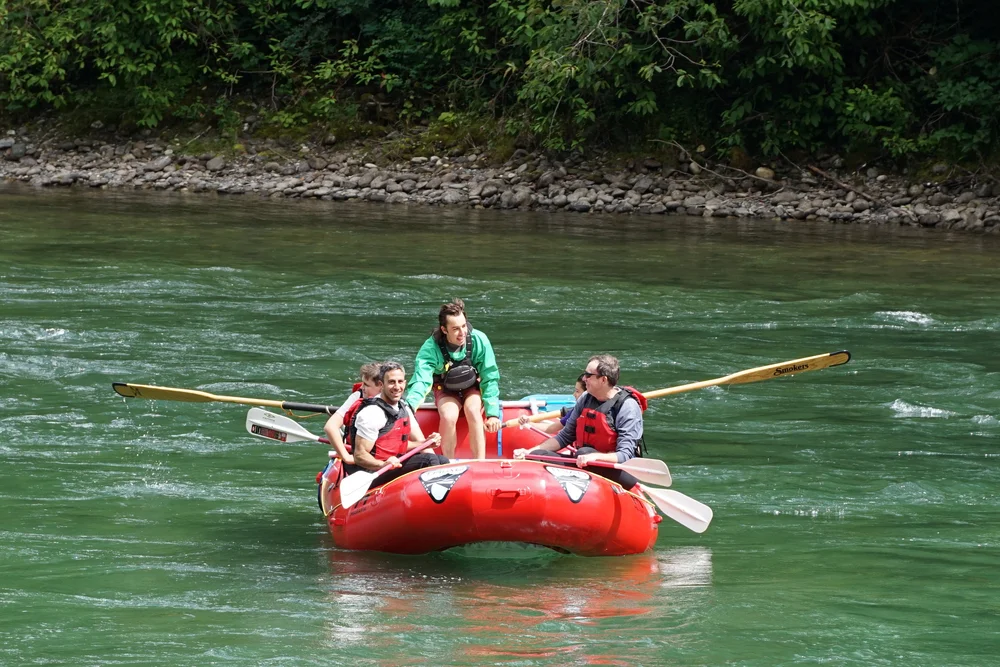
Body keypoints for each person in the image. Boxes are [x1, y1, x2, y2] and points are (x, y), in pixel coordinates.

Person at [513, 355, 646, 491]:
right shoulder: (585, 398)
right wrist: (529, 452)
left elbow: (624, 455)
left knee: (583, 451)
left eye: (588, 375)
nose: (583, 379)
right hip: (583, 462)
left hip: (616, 469)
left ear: (603, 380)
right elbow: (564, 437)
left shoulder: (627, 407)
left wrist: (594, 457)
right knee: (538, 455)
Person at [404, 298, 500, 460]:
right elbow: (422, 380)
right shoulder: (430, 348)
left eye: (464, 326)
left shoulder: (479, 340)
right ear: (444, 329)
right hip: (445, 389)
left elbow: (489, 377)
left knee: (473, 411)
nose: (462, 333)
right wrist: (410, 407)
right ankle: (446, 463)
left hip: (472, 387)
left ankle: (480, 461)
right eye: (455, 329)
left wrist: (492, 414)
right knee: (448, 416)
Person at [344, 362, 446, 488]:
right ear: (381, 384)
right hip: (373, 471)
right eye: (392, 382)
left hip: (394, 464)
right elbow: (360, 456)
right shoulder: (372, 413)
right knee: (429, 460)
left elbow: (394, 445)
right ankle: (436, 496)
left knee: (442, 460)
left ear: (405, 383)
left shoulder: (403, 407)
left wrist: (426, 443)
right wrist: (382, 464)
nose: (397, 387)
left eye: (400, 382)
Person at [323, 361, 383, 465]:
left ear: (381, 386)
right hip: (359, 458)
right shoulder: (358, 396)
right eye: (362, 383)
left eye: (366, 385)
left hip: (385, 457)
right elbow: (330, 427)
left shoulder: (396, 400)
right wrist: (346, 457)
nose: (362, 387)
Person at [518, 373, 587, 434]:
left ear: (586, 393)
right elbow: (551, 428)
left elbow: (551, 428)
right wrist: (529, 423)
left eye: (577, 391)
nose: (574, 395)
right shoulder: (575, 411)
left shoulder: (579, 412)